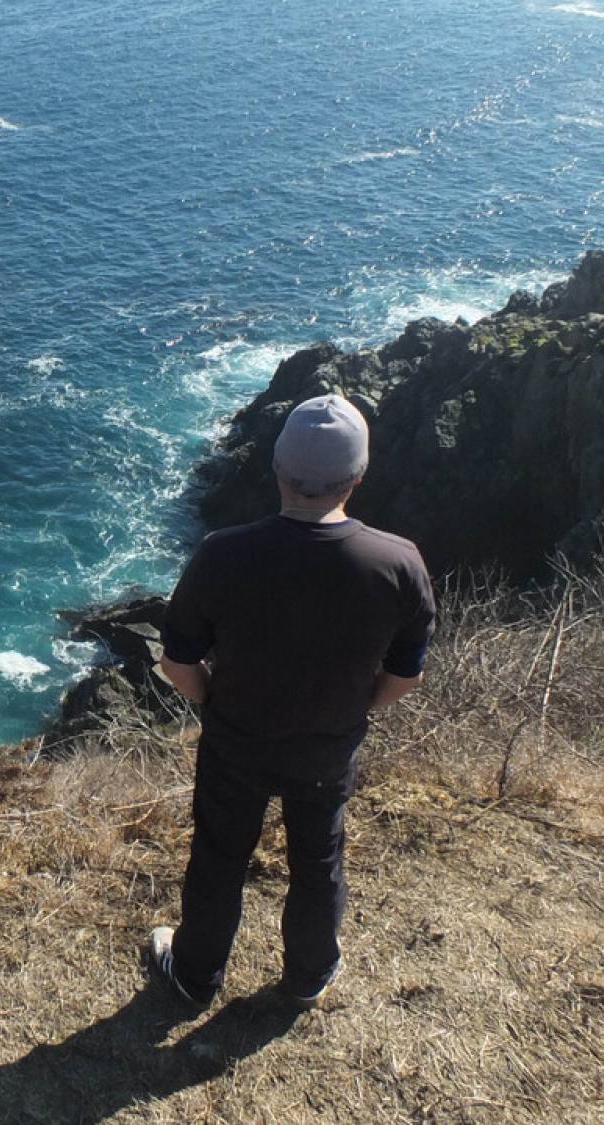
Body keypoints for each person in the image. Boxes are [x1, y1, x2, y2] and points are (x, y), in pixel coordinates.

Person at [148, 394, 435, 1010]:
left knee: (220, 857)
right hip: (328, 749)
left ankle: (196, 975)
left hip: (234, 742)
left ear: (276, 470)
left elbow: (177, 662)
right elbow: (405, 676)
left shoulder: (223, 553)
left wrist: (217, 706)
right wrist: (349, 711)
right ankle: (308, 974)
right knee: (319, 856)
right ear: (358, 478)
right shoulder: (397, 562)